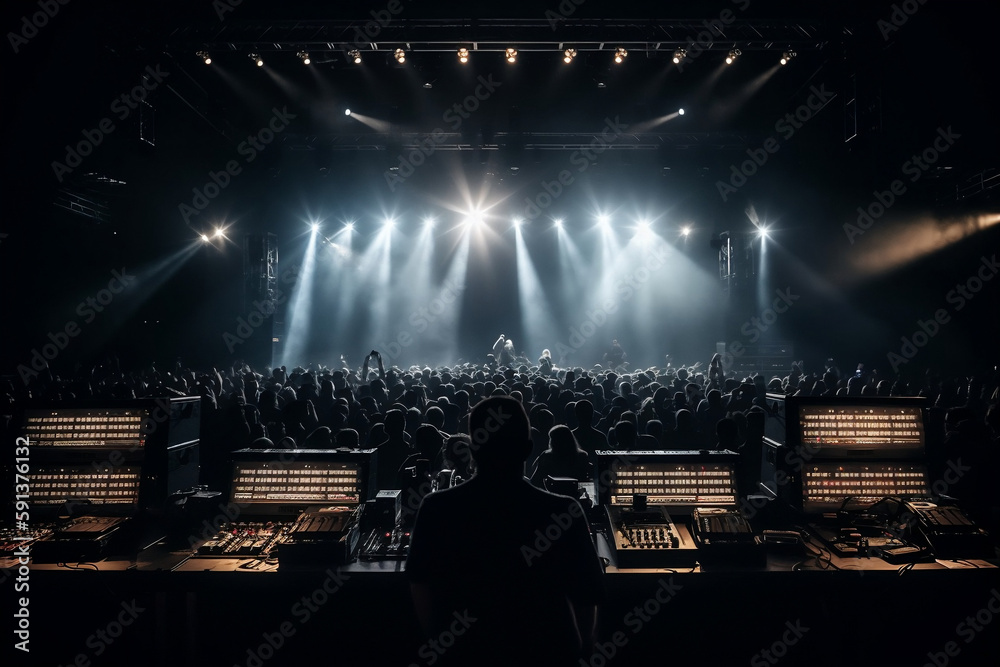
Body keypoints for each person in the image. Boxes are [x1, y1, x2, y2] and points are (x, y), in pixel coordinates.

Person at [406, 396, 603, 667]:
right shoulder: (564, 511)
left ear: (472, 451)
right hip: (548, 654)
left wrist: (441, 645)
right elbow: (587, 595)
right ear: (529, 449)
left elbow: (420, 585)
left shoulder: (436, 507)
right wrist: (582, 648)